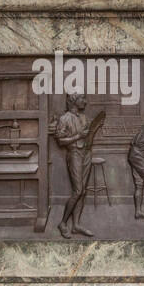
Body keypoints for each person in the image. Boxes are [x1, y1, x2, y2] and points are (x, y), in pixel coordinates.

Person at [54, 93, 96, 238]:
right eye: (82, 98)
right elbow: (60, 140)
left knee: (83, 191)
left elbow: (87, 135)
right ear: (73, 100)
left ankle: (76, 225)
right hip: (74, 154)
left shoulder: (83, 117)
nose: (85, 101)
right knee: (77, 191)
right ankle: (63, 223)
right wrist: (78, 136)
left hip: (86, 154)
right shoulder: (65, 118)